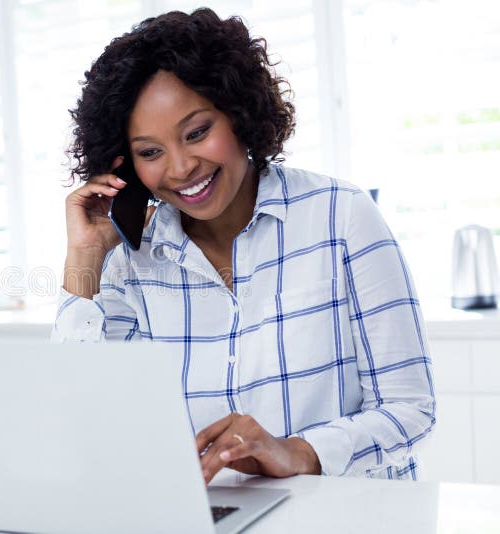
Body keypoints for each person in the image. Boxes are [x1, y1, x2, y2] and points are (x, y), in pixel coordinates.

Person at [53, 9, 435, 481]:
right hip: (210, 516)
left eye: (197, 133)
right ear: (125, 166)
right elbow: (84, 421)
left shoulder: (341, 215)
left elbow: (410, 408)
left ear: (237, 114)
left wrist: (298, 452)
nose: (180, 168)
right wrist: (85, 258)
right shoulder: (130, 260)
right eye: (150, 152)